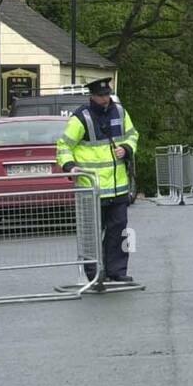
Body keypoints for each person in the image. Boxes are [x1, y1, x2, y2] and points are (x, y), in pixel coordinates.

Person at [56, 78, 139, 286]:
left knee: (118, 231)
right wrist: (69, 166)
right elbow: (64, 145)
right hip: (92, 188)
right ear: (92, 96)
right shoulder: (81, 117)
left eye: (107, 94)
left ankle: (117, 271)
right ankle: (94, 273)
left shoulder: (119, 112)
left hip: (117, 187)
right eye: (101, 95)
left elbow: (133, 135)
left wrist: (127, 149)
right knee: (92, 233)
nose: (105, 99)